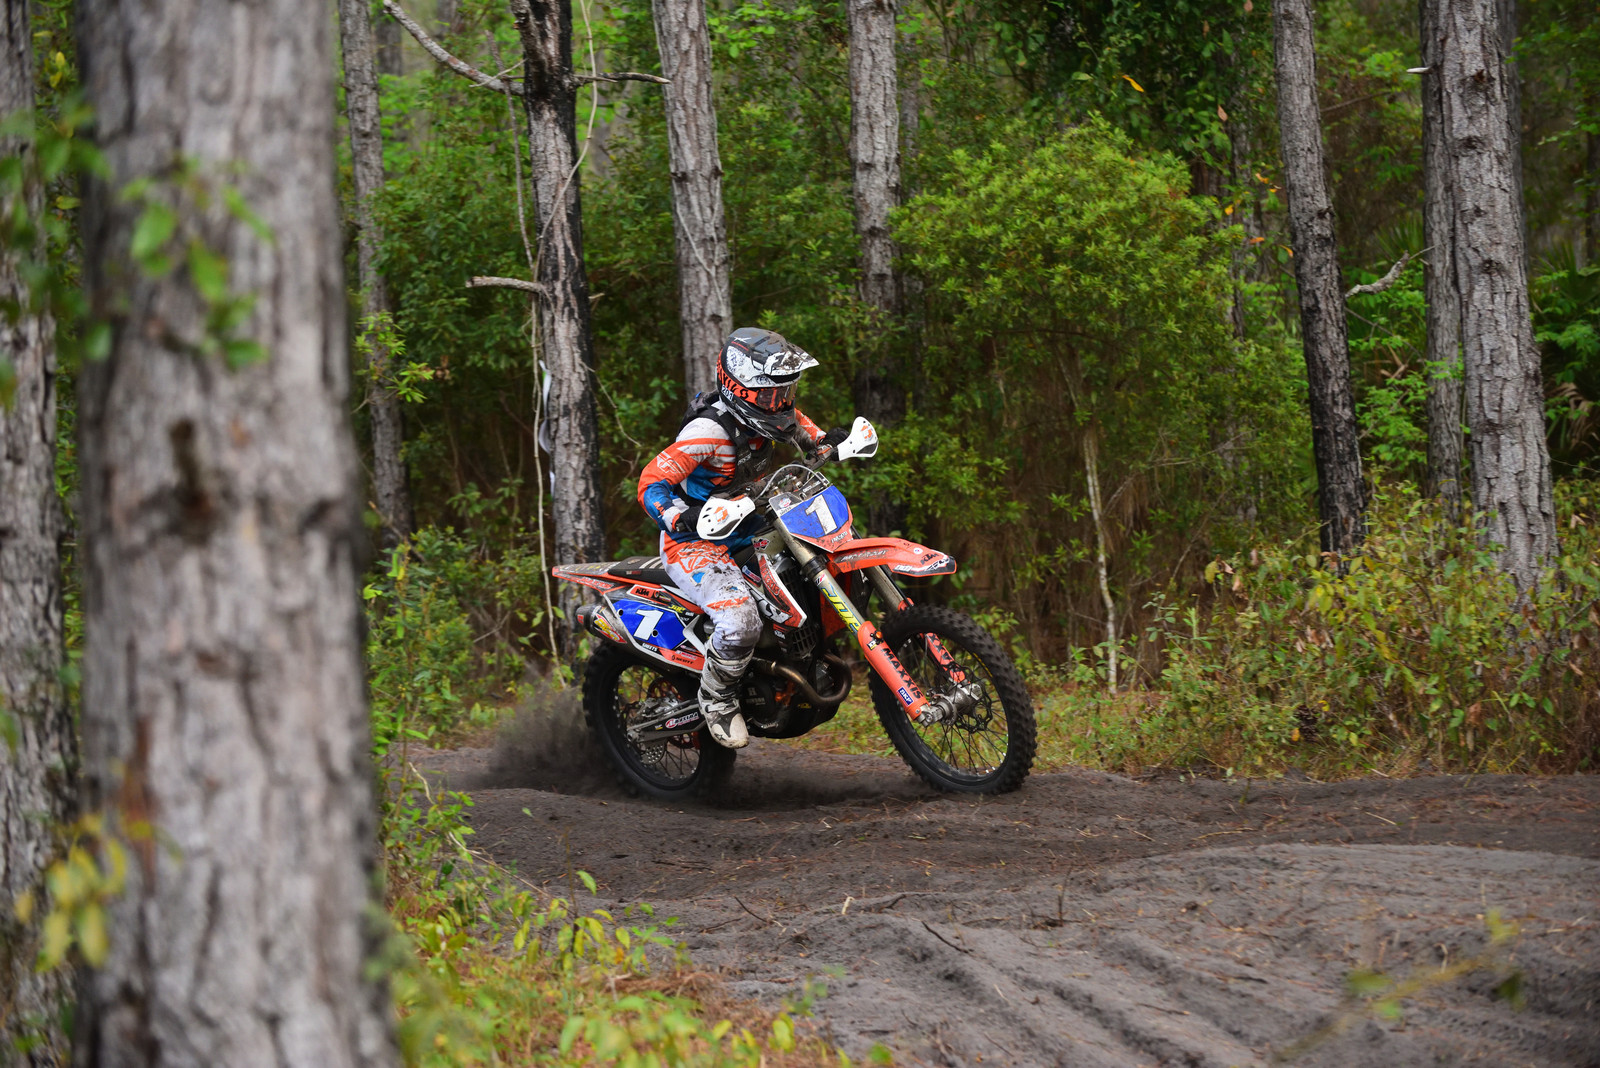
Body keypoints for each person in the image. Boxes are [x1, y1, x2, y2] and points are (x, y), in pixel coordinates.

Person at [637, 328, 847, 748]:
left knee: (812, 575)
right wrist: (680, 515)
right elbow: (650, 482)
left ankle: (789, 666)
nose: (782, 402)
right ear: (740, 389)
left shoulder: (776, 415)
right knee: (740, 621)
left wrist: (829, 444)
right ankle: (717, 699)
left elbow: (806, 435)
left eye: (785, 392)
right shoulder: (707, 434)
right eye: (772, 394)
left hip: (751, 527)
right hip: (696, 543)